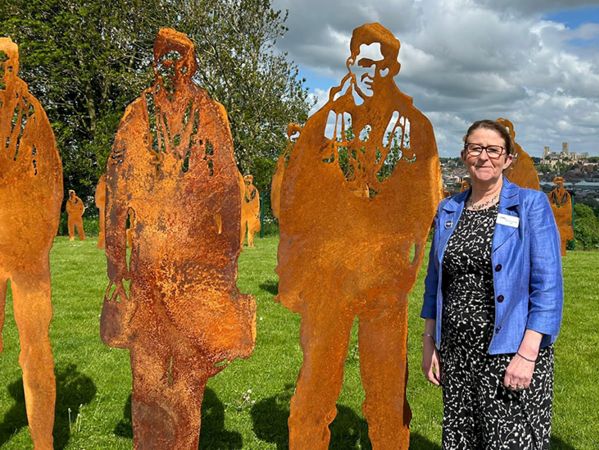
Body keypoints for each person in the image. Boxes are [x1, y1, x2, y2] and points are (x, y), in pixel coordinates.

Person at [275, 23, 440, 449]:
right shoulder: (321, 126)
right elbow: (294, 199)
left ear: (394, 69)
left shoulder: (415, 127)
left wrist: (405, 266)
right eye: (366, 63)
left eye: (383, 66)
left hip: (385, 282)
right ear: (351, 63)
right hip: (330, 279)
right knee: (315, 384)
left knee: (388, 391)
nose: (374, 73)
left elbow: (426, 204)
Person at [100, 28, 255, 449]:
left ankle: (185, 442)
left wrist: (228, 263)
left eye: (177, 57)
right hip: (148, 263)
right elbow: (117, 187)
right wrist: (116, 259)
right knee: (146, 373)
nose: (169, 65)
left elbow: (228, 191)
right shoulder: (137, 114)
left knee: (189, 372)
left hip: (197, 267)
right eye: (163, 57)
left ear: (191, 64)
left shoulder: (210, 114)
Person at [421, 119, 563, 449]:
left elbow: (547, 288)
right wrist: (429, 342)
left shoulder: (530, 205)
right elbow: (434, 282)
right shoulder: (448, 209)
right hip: (457, 354)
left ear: (508, 159)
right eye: (476, 148)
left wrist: (527, 355)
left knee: (509, 441)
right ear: (464, 155)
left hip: (509, 353)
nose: (484, 156)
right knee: (462, 440)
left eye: (493, 150)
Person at [0, 36, 61, 449]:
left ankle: (43, 441)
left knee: (35, 346)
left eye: (6, 64)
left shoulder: (31, 115)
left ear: (16, 66)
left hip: (27, 255)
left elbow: (51, 184)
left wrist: (38, 241)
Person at [547, 176, 573, 256]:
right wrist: (555, 208)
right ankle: (553, 251)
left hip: (563, 218)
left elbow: (568, 206)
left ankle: (562, 252)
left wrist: (561, 210)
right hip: (554, 218)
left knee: (563, 236)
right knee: (554, 235)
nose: (559, 184)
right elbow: (549, 205)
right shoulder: (551, 194)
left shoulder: (566, 195)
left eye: (560, 183)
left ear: (562, 183)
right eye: (557, 183)